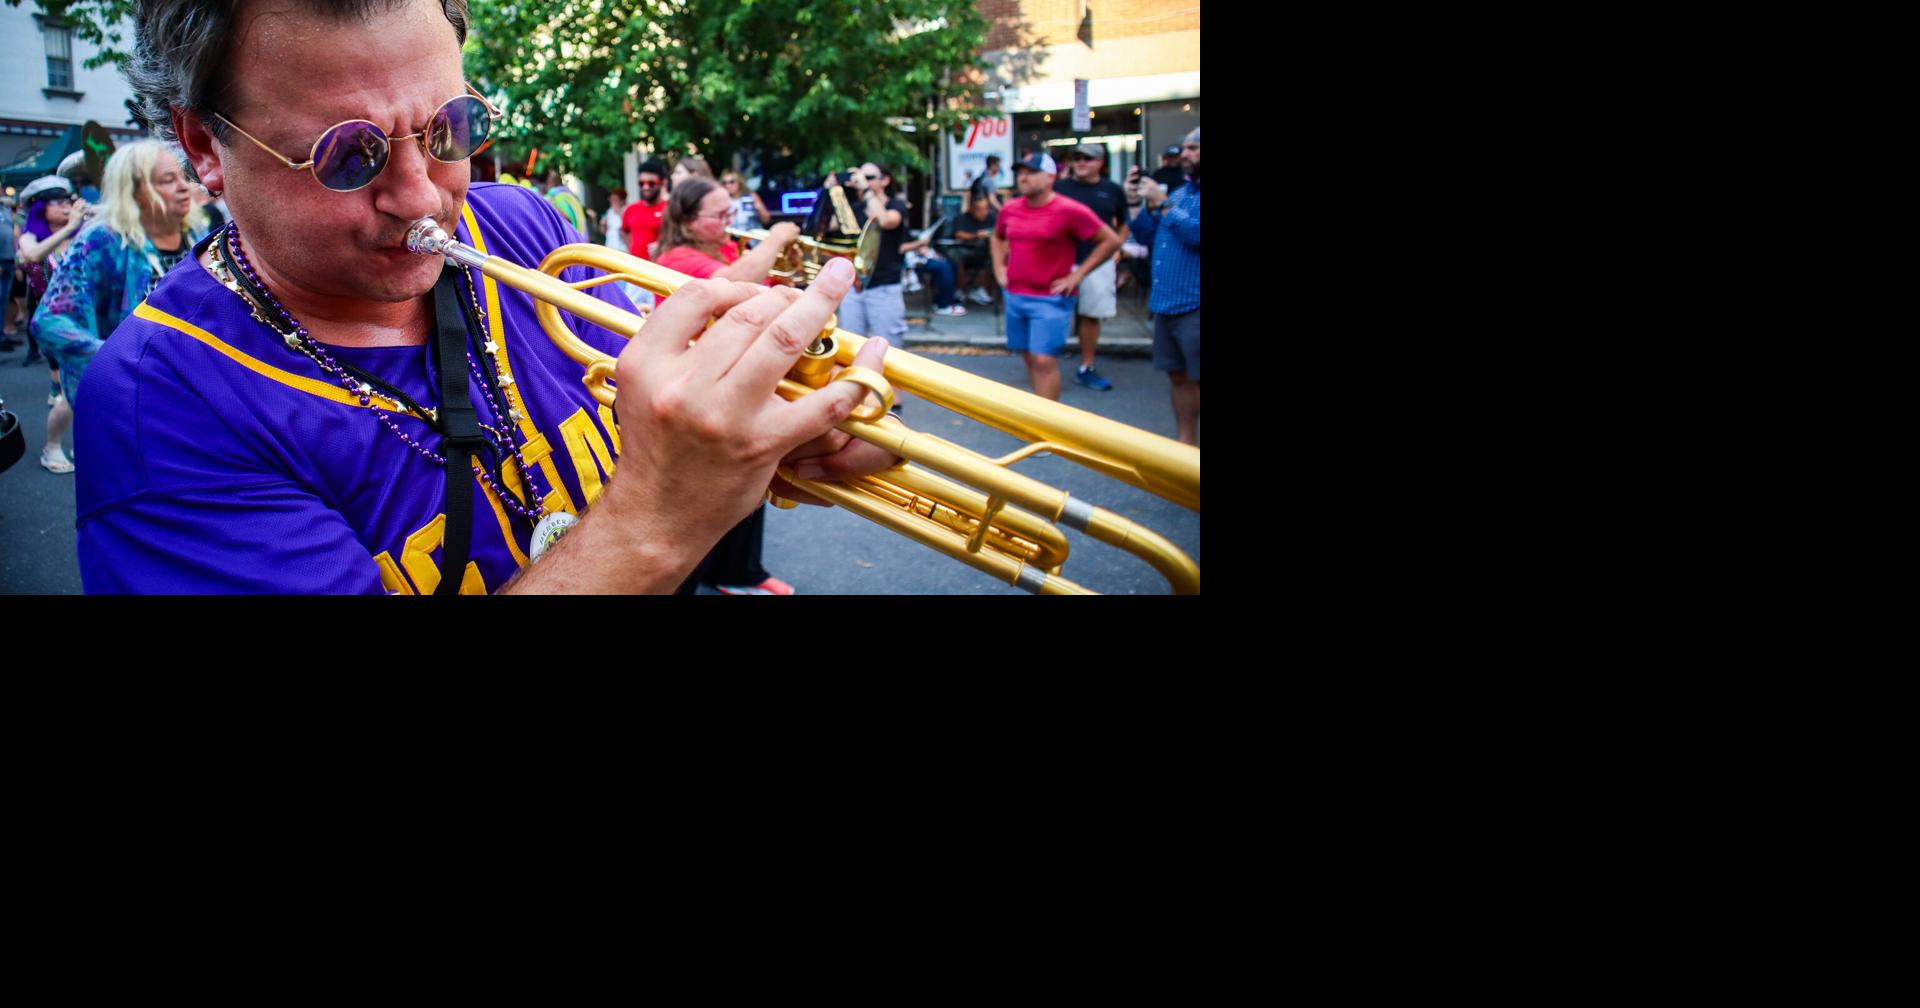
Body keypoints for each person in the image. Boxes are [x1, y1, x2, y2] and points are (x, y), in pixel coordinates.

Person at [79, 0, 893, 594]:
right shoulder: (159, 404)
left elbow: (658, 441)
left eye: (449, 130)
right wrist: (656, 522)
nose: (424, 199)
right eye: (345, 157)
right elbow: (655, 501)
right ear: (203, 147)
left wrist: (787, 436)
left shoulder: (521, 223)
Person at [649, 175, 806, 595]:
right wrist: (774, 240)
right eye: (720, 215)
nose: (730, 222)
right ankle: (698, 576)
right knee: (706, 493)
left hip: (734, 376)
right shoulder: (677, 257)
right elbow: (731, 287)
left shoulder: (724, 249)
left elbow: (766, 294)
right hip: (696, 382)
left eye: (730, 212)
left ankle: (738, 571)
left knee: (749, 481)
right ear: (687, 220)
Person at [33, 137, 202, 477]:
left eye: (183, 177)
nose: (185, 188)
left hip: (194, 403)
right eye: (168, 180)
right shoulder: (103, 241)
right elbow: (49, 321)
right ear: (135, 192)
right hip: (132, 409)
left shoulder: (199, 237)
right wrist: (121, 365)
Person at [990, 152, 1121, 401]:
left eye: (1030, 172)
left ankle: (1047, 430)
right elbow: (997, 237)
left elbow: (1110, 240)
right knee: (1028, 356)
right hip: (1016, 294)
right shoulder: (1011, 208)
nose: (1023, 178)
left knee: (1044, 360)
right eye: (1021, 173)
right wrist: (999, 269)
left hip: (1050, 298)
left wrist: (1078, 275)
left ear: (1050, 177)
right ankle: (1039, 412)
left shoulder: (1069, 210)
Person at [14, 175, 94, 471]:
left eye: (67, 201)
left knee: (90, 388)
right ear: (39, 208)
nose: (65, 207)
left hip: (88, 320)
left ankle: (83, 443)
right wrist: (72, 226)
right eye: (57, 202)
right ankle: (51, 447)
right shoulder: (30, 236)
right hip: (54, 326)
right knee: (74, 390)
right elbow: (32, 255)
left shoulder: (82, 234)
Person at [1127, 127, 1200, 445]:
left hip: (1195, 305)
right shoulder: (1182, 195)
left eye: (1194, 148)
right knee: (1178, 377)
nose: (1185, 154)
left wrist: (1165, 205)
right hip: (1167, 304)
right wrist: (1133, 204)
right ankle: (1186, 446)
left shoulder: (1174, 201)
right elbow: (1148, 236)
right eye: (1185, 148)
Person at [1051, 144, 1128, 392]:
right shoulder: (1059, 188)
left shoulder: (1112, 190)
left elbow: (1123, 224)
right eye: (1077, 158)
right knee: (1052, 314)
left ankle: (1087, 365)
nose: (1082, 162)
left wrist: (1116, 248)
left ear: (1100, 162)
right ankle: (1045, 366)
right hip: (1060, 261)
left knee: (1091, 314)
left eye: (1088, 158)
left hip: (1096, 261)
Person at [821, 161, 908, 340]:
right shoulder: (855, 208)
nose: (863, 181)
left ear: (885, 181)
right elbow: (823, 227)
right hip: (854, 287)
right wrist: (829, 192)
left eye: (869, 177)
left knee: (888, 348)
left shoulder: (896, 205)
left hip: (884, 288)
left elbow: (883, 220)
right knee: (852, 346)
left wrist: (866, 191)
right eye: (861, 177)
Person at [949, 194, 997, 305]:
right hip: (964, 249)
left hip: (985, 250)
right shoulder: (962, 218)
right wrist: (976, 235)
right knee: (958, 261)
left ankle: (980, 289)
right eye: (979, 210)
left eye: (985, 208)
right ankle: (959, 290)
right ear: (972, 209)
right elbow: (958, 234)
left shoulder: (992, 217)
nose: (983, 212)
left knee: (990, 262)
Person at [620, 159, 668, 261]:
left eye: (651, 183)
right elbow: (624, 232)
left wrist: (663, 247)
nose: (646, 187)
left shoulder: (670, 209)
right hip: (634, 270)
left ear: (662, 183)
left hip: (662, 270)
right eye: (641, 183)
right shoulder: (631, 209)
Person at [542, 168, 589, 237]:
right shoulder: (571, 195)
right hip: (583, 238)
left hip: (571, 241)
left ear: (549, 183)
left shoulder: (553, 196)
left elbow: (566, 220)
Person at [0, 197, 17, 350]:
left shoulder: (5, 211)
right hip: (1, 261)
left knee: (3, 300)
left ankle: (2, 335)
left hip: (9, 260)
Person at [601, 186, 627, 252]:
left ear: (622, 201)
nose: (612, 202)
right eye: (611, 199)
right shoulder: (609, 211)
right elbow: (604, 232)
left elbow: (628, 227)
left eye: (615, 199)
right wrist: (603, 225)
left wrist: (618, 212)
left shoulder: (627, 210)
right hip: (610, 246)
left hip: (623, 248)